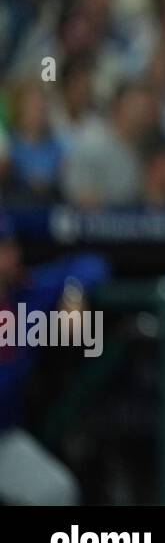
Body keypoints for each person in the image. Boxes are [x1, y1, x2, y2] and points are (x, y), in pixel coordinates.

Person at [0, 211, 111, 504]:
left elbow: (90, 263)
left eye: (9, 246)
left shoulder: (26, 294)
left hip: (4, 438)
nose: (8, 256)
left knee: (56, 491)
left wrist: (74, 294)